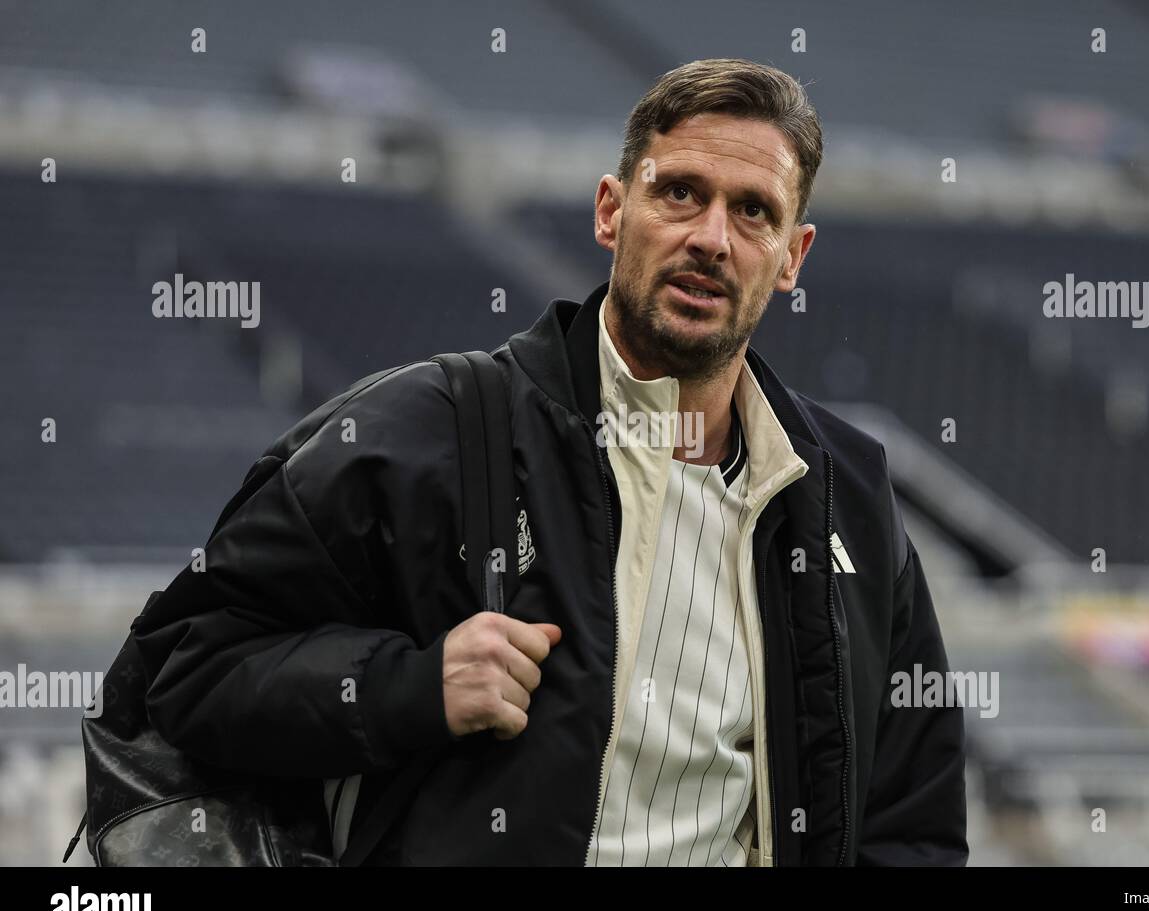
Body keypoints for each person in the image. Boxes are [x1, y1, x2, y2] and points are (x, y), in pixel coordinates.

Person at [136, 57, 967, 866]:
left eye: (754, 212)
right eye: (679, 192)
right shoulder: (427, 428)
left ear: (793, 258)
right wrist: (409, 689)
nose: (712, 238)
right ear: (611, 211)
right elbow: (189, 667)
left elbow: (910, 815)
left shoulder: (845, 494)